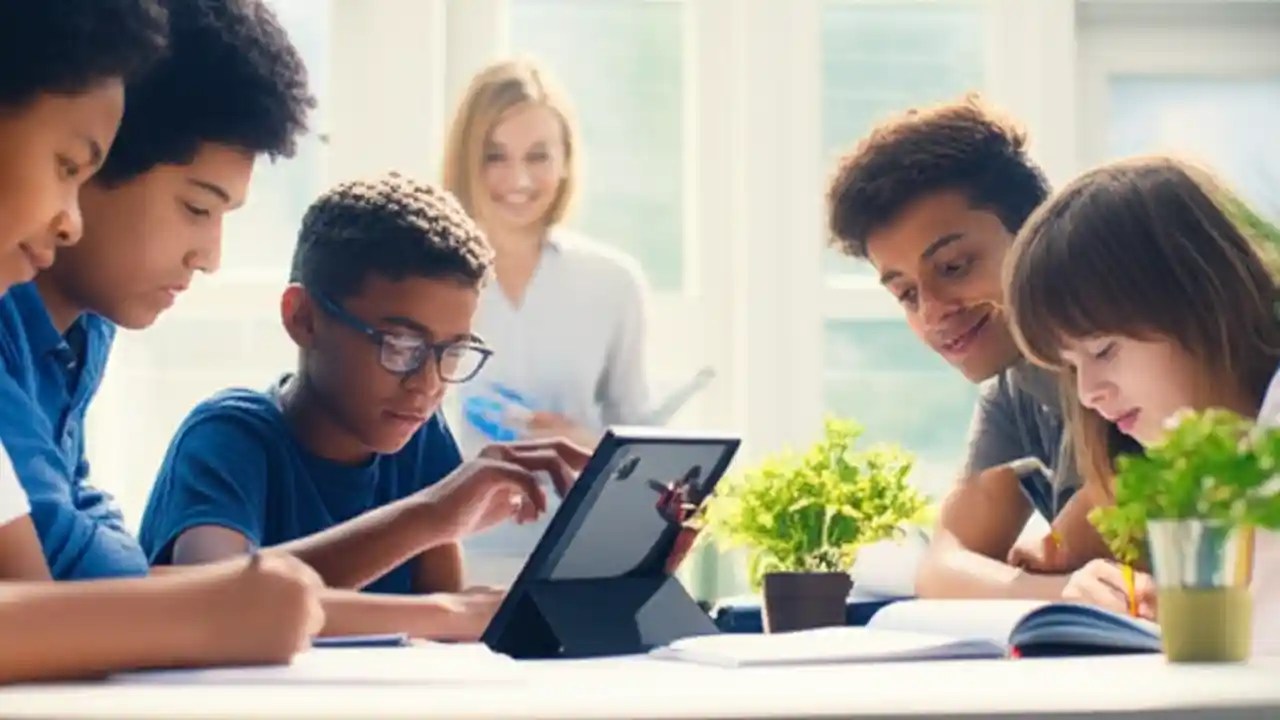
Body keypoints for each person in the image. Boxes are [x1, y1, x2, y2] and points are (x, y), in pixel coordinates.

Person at [0, 0, 323, 683]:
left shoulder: (81, 334)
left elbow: (63, 568)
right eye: (197, 209)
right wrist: (210, 607)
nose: (209, 257)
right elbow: (51, 588)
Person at [139, 172, 590, 640]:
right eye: (400, 345)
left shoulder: (421, 438)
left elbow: (440, 632)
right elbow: (215, 602)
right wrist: (428, 518)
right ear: (303, 319)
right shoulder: (228, 437)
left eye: (451, 352)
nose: (428, 384)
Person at [825, 96, 1129, 608]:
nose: (932, 312)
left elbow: (1100, 530)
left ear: (1037, 232)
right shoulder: (1014, 389)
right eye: (905, 293)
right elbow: (942, 568)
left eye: (954, 266)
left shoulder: (1134, 354)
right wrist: (1061, 593)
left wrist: (1051, 569)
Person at [1003, 155, 1280, 619]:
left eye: (1104, 350)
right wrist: (1144, 602)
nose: (1089, 392)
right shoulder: (1221, 467)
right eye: (1071, 368)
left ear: (1202, 301)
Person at [441, 58, 653, 584]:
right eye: (495, 157)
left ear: (566, 162)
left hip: (580, 564)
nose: (519, 179)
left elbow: (646, 453)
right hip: (450, 563)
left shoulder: (611, 283)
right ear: (467, 160)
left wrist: (590, 444)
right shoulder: (423, 281)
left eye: (539, 156)